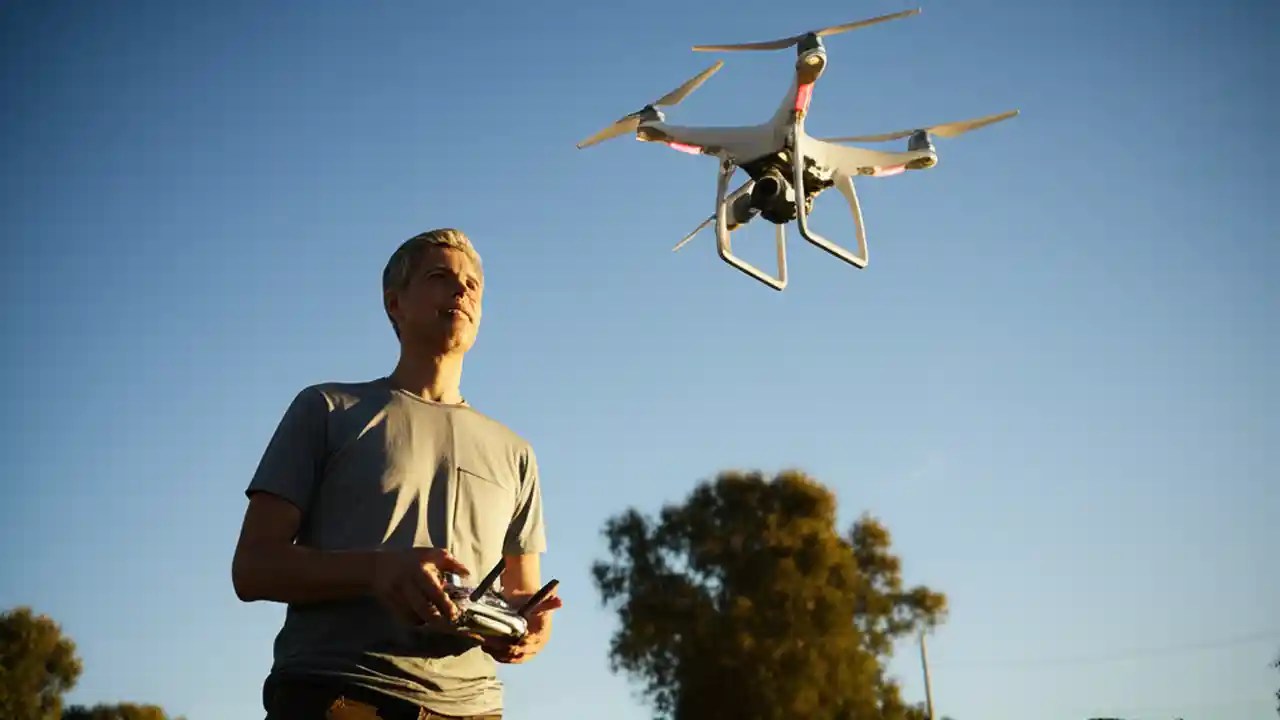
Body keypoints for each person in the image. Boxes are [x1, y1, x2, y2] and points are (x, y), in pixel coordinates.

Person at [232, 228, 560, 720]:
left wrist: (529, 628)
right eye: (440, 276)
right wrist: (378, 571)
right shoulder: (326, 410)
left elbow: (521, 591)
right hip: (339, 691)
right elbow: (253, 568)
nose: (462, 290)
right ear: (394, 304)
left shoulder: (517, 452)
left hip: (473, 709)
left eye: (473, 285)